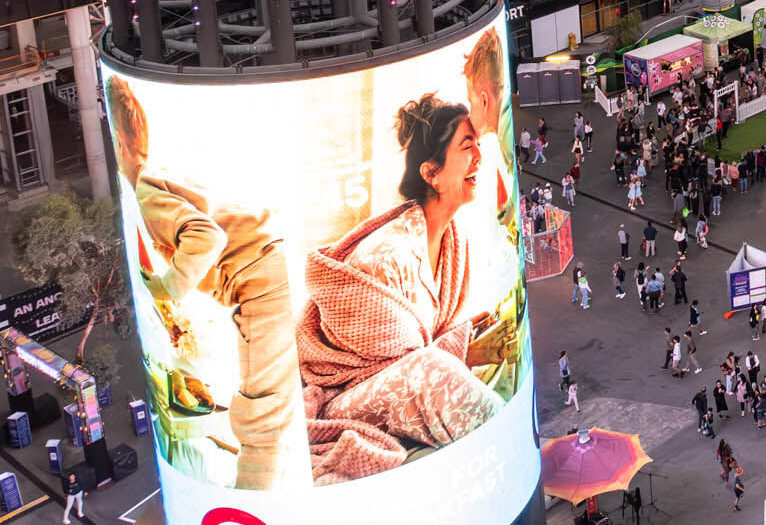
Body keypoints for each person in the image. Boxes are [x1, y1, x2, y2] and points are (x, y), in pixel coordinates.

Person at [295, 93, 516, 483]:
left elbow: (427, 340)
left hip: (384, 380)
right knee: (432, 372)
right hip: (338, 399)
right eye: (467, 147)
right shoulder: (385, 257)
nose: (479, 158)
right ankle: (512, 461)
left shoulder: (454, 240)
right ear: (431, 173)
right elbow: (409, 366)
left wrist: (469, 340)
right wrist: (464, 349)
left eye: (477, 145)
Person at [105, 75, 298, 490]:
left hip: (260, 283)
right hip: (270, 269)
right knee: (273, 407)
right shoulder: (162, 175)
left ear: (120, 142)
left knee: (262, 417)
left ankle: (254, 508)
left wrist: (164, 290)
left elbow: (208, 236)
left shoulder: (146, 190)